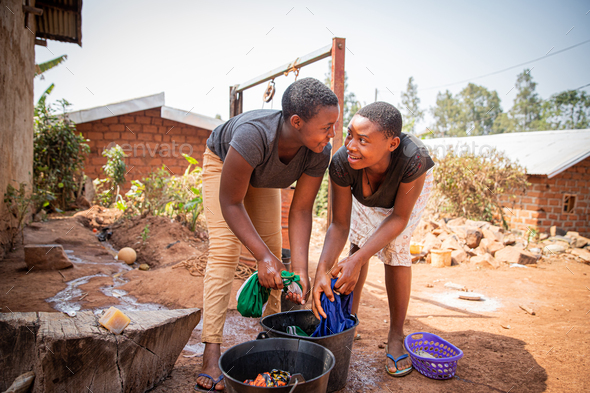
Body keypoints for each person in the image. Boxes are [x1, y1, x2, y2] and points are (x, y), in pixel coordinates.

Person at [195, 77, 340, 391]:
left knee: (276, 253)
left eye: (334, 125)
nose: (333, 134)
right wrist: (260, 257)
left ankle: (274, 342)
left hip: (262, 178)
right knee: (225, 251)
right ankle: (211, 350)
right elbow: (231, 202)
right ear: (296, 122)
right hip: (225, 166)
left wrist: (299, 271)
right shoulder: (253, 135)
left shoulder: (318, 151)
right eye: (326, 126)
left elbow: (301, 210)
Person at [312, 101, 434, 378]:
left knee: (395, 247)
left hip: (408, 194)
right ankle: (349, 323)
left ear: (391, 144)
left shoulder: (414, 159)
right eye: (350, 135)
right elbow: (340, 224)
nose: (351, 145)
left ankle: (395, 334)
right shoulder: (344, 163)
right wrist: (322, 271)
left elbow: (399, 218)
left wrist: (359, 258)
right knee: (358, 241)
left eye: (363, 140)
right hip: (367, 200)